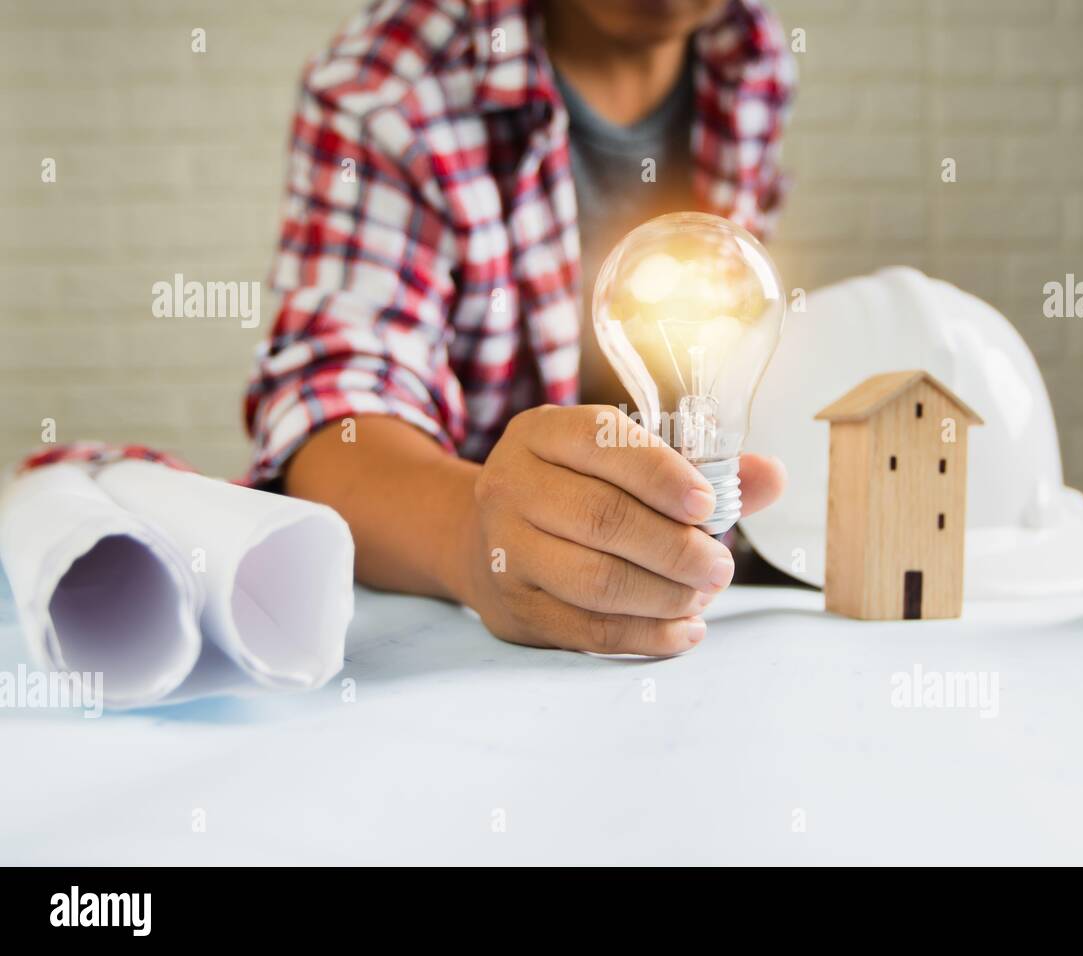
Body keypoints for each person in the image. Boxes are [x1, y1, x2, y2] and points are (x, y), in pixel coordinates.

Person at [245, 0, 796, 655]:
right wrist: (477, 538)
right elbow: (339, 416)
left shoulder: (748, 51)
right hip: (472, 635)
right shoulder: (388, 86)